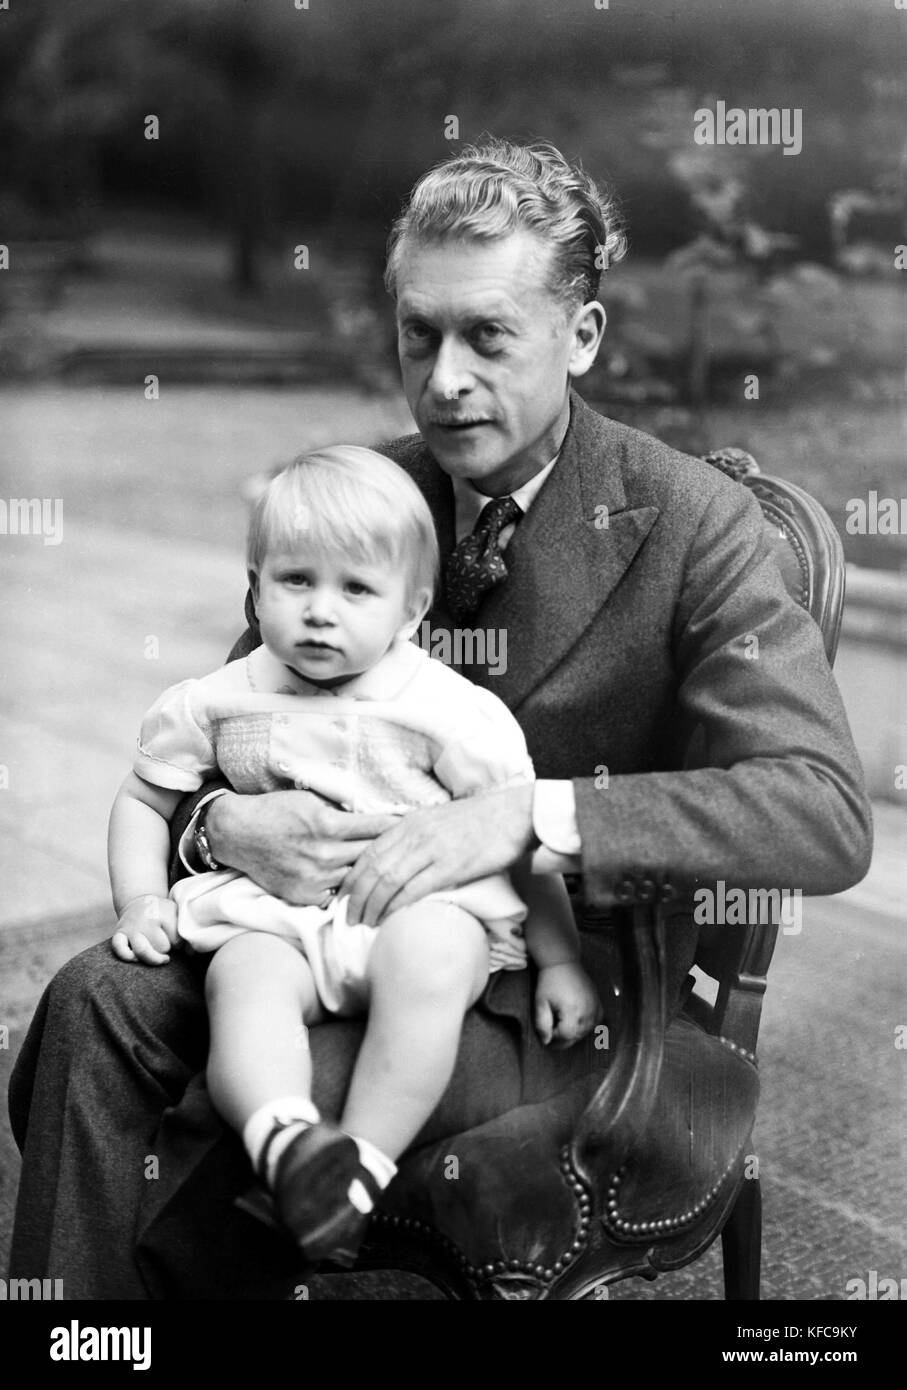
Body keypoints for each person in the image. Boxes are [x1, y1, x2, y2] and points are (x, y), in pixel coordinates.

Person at [8, 138, 872, 1299]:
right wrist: (219, 827)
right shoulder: (365, 493)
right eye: (419, 335)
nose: (445, 377)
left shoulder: (693, 524)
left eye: (487, 337)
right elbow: (229, 717)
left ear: (581, 336)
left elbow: (820, 811)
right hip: (302, 923)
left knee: (249, 1107)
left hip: (547, 986)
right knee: (92, 1004)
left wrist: (529, 818)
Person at [106, 446, 600, 1266]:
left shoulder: (448, 712)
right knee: (243, 980)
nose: (319, 613)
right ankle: (287, 1139)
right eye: (295, 581)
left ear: (411, 609)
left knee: (432, 953)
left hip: (417, 913)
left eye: (355, 590)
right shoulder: (218, 699)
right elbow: (143, 799)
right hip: (281, 922)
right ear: (254, 587)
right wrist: (140, 900)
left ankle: (359, 1167)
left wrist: (559, 960)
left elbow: (520, 836)